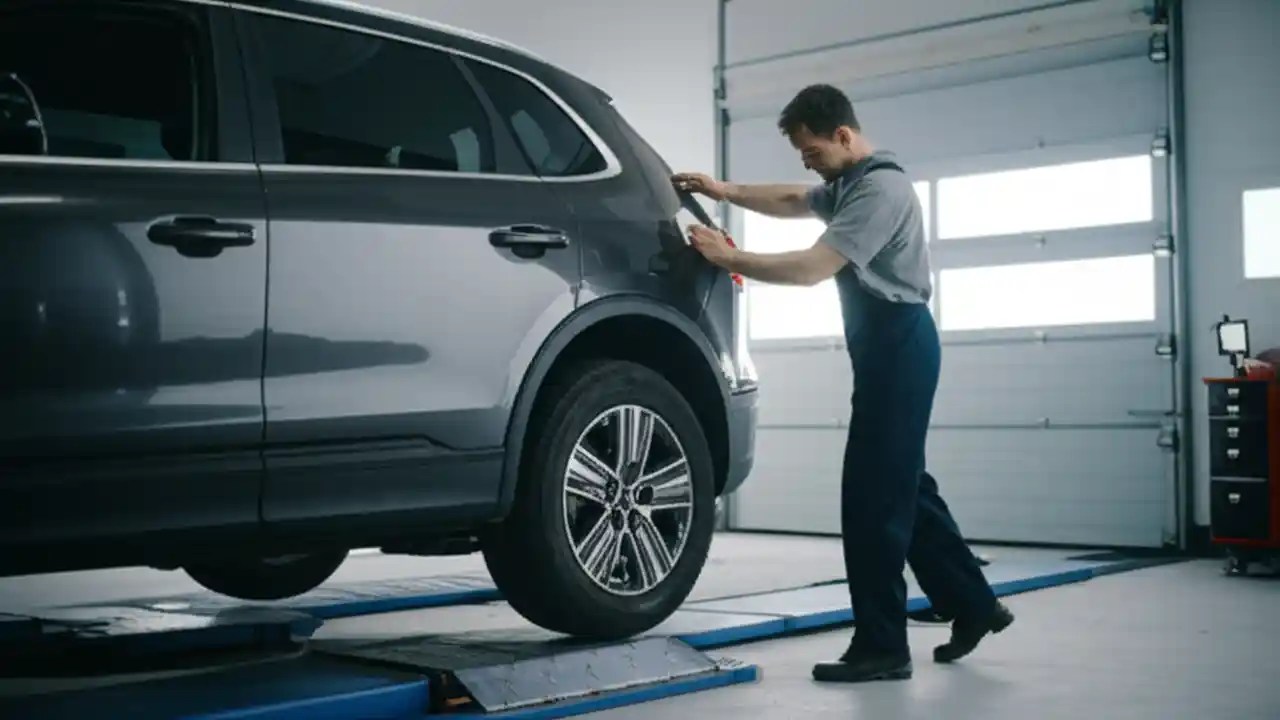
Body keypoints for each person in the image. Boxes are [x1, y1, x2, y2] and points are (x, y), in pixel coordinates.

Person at [673, 83, 1013, 684]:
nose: (808, 164)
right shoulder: (852, 182)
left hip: (900, 345)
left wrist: (729, 258)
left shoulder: (880, 191)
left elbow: (809, 268)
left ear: (844, 136)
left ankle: (883, 647)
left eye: (812, 151)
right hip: (888, 346)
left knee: (872, 497)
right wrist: (723, 190)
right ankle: (975, 605)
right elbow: (792, 199)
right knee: (905, 486)